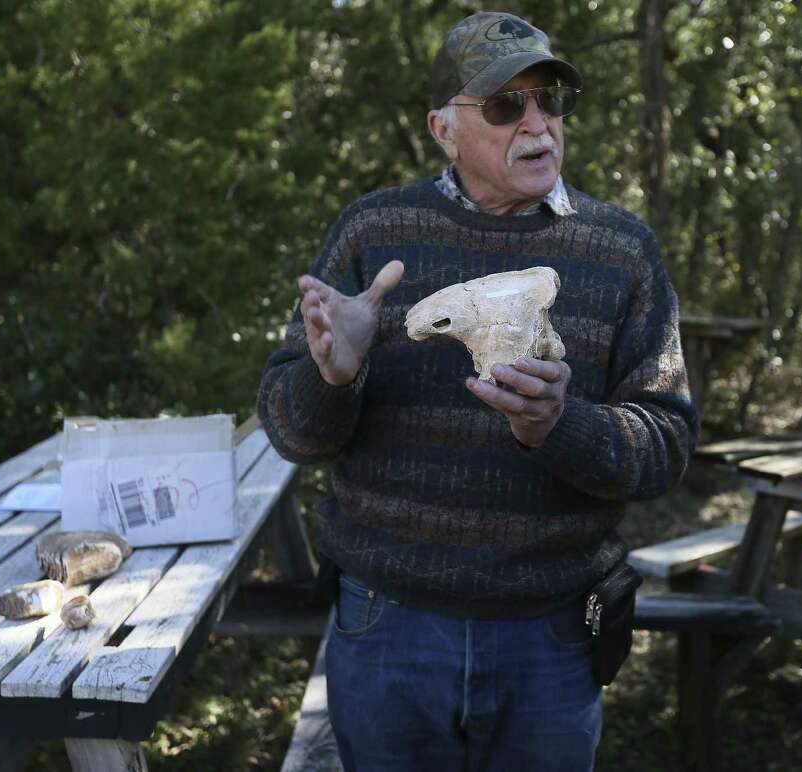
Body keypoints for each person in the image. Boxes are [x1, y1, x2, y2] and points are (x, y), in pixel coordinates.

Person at [257, 11, 697, 771]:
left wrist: (558, 424)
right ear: (444, 129)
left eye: (550, 101)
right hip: (388, 624)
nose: (538, 125)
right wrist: (334, 376)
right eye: (504, 106)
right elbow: (292, 431)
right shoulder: (375, 231)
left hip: (552, 635)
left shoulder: (620, 249)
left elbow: (666, 446)